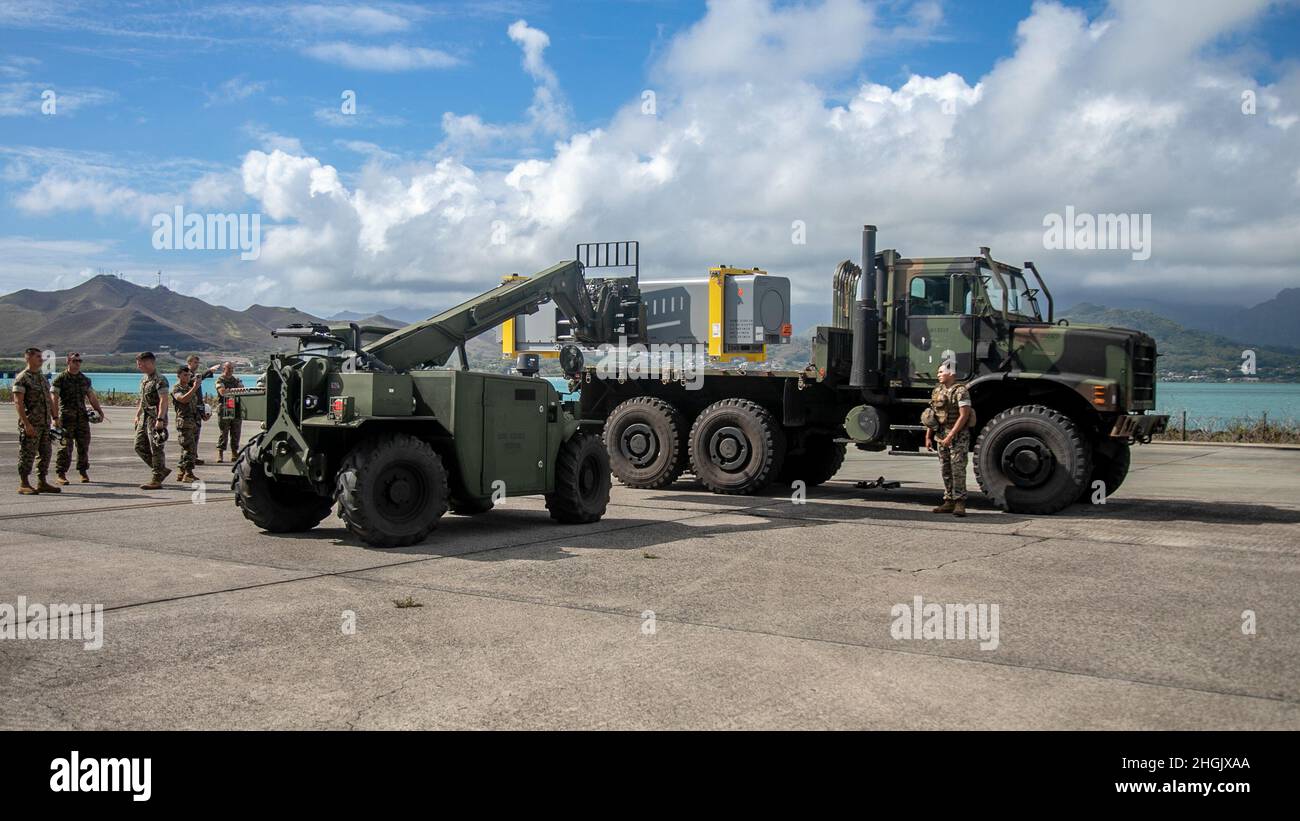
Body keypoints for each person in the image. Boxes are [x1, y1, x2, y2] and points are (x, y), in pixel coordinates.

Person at [925, 361, 974, 517]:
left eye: (941, 372)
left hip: (958, 436)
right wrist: (928, 436)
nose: (938, 374)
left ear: (951, 374)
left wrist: (951, 435)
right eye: (938, 372)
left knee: (957, 469)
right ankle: (949, 501)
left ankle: (960, 503)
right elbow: (932, 415)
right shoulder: (937, 391)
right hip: (941, 435)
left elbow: (964, 415)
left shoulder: (961, 392)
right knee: (945, 469)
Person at [50, 351, 105, 484]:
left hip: (82, 418)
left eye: (80, 361)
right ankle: (61, 474)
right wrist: (55, 417)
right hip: (66, 418)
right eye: (75, 361)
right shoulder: (60, 379)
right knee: (64, 447)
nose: (78, 363)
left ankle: (83, 471)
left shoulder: (85, 379)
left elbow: (91, 396)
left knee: (83, 446)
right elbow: (54, 398)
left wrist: (99, 411)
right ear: (68, 362)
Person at [12, 347, 59, 495]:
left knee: (46, 453)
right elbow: (18, 403)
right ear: (29, 358)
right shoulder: (22, 378)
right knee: (27, 453)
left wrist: (55, 417)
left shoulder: (41, 377)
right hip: (31, 423)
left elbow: (49, 400)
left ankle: (42, 482)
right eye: (38, 357)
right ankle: (24, 483)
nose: (42, 359)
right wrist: (26, 424)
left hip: (44, 424)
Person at [133, 351, 172, 490]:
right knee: (138, 446)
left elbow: (164, 400)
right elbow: (143, 399)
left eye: (141, 363)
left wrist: (160, 419)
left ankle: (156, 478)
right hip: (144, 417)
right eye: (138, 364)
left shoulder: (160, 379)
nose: (139, 366)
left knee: (156, 448)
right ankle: (161, 469)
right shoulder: (144, 379)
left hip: (155, 417)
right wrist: (137, 415)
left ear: (150, 362)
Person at [171, 365, 202, 483]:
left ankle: (181, 471)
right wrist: (194, 387)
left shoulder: (189, 387)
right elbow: (183, 399)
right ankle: (188, 473)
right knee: (190, 448)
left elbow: (194, 404)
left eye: (189, 375)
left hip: (193, 421)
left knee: (187, 448)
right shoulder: (176, 388)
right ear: (179, 376)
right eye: (185, 375)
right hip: (184, 421)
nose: (188, 377)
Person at [186, 354, 215, 466]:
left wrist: (202, 410)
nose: (197, 365)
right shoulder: (187, 374)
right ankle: (189, 458)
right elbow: (193, 381)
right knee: (190, 435)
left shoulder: (193, 375)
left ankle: (194, 455)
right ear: (189, 363)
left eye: (198, 363)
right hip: (190, 409)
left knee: (196, 434)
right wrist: (209, 371)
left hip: (197, 408)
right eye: (195, 363)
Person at [214, 361, 243, 463]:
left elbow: (242, 390)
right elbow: (222, 392)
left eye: (232, 369)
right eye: (228, 369)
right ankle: (220, 453)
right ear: (224, 369)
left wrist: (229, 390)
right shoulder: (220, 380)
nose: (230, 371)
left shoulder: (236, 380)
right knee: (224, 432)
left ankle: (234, 452)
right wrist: (234, 391)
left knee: (236, 432)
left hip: (235, 407)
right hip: (224, 407)